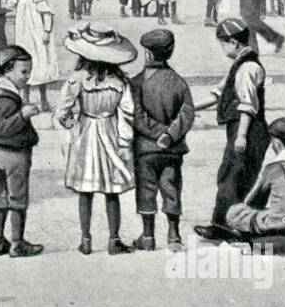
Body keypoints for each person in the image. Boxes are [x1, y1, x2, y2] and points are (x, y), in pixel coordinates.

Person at [56, 25, 137, 256]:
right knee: (111, 191)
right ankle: (114, 240)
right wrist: (123, 143)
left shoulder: (77, 79)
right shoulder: (120, 82)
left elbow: (62, 112)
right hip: (110, 132)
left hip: (85, 133)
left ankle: (86, 240)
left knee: (86, 190)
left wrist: (73, 125)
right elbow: (127, 115)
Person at [193, 18, 269, 236]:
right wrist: (190, 109)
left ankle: (225, 227)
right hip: (241, 130)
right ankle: (226, 224)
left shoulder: (248, 68)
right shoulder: (239, 65)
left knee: (234, 178)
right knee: (230, 176)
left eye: (223, 43)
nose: (222, 48)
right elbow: (217, 94)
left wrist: (241, 137)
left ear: (234, 42)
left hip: (249, 131)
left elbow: (248, 105)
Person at [129, 28, 195, 252]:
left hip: (146, 149)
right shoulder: (179, 82)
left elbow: (137, 117)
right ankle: (174, 236)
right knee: (172, 188)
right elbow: (187, 114)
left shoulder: (136, 83)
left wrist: (158, 134)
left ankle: (148, 238)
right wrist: (170, 135)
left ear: (147, 54)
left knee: (146, 189)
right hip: (172, 150)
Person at [0, 45, 43, 258]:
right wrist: (24, 115)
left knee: (2, 198)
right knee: (18, 199)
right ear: (8, 70)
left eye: (29, 71)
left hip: (1, 154)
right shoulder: (8, 98)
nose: (27, 77)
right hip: (15, 155)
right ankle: (18, 244)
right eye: (23, 72)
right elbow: (2, 128)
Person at [1, 0, 60, 111]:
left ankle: (44, 99)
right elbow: (6, 6)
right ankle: (25, 98)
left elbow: (46, 13)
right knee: (24, 62)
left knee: (40, 61)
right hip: (23, 33)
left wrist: (47, 31)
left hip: (37, 31)